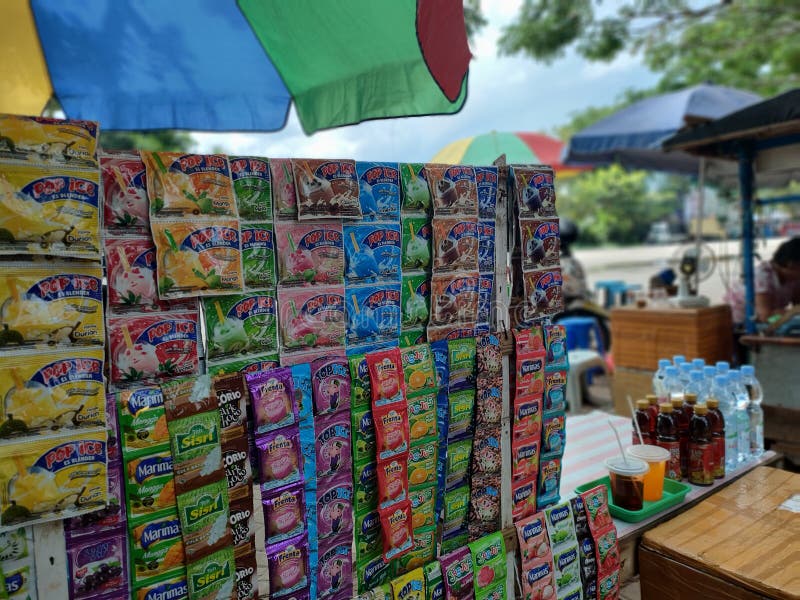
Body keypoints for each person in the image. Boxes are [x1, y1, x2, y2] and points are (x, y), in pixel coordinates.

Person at [725, 237, 800, 324]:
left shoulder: (794, 278)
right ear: (792, 265)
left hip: (769, 322)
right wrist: (789, 314)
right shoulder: (763, 277)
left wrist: (791, 313)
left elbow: (797, 305)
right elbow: (766, 318)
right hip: (742, 326)